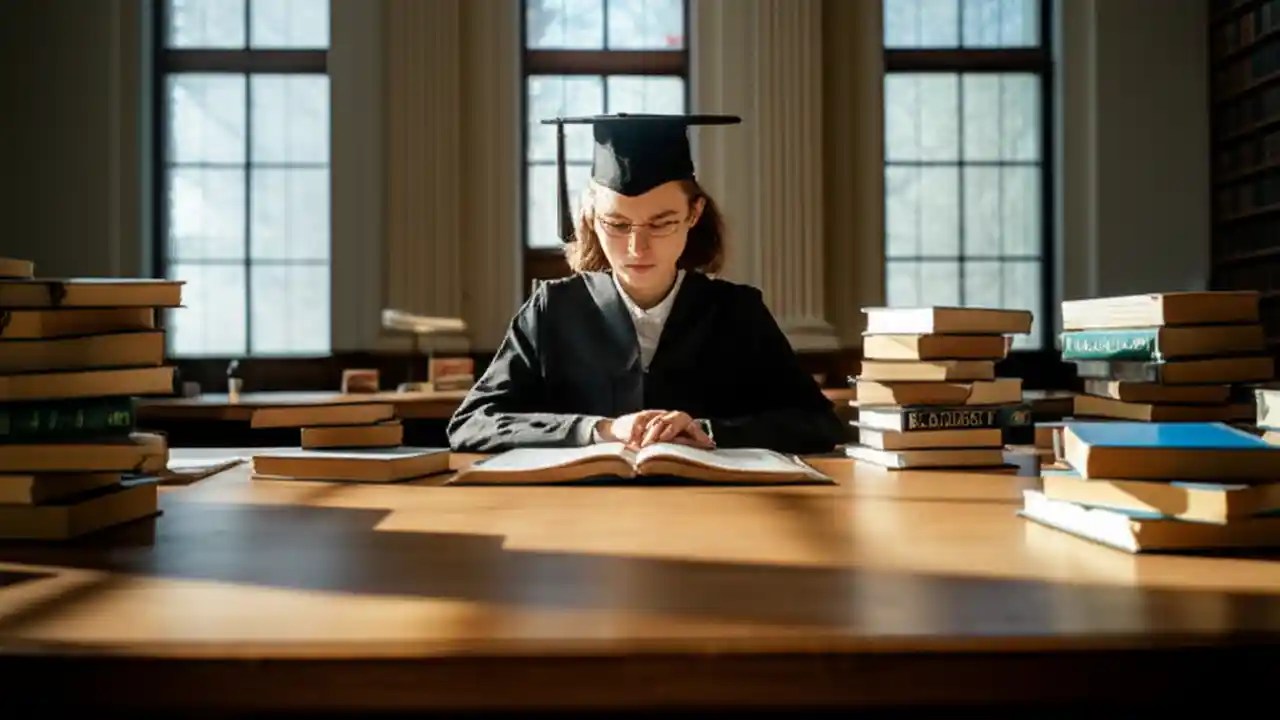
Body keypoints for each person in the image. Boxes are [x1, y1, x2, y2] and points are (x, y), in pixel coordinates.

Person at [447, 113, 845, 455]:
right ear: (589, 215)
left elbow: (818, 424)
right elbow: (472, 423)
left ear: (694, 213)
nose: (638, 247)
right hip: (578, 517)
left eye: (662, 222)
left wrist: (708, 432)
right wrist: (598, 431)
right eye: (617, 224)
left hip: (715, 514)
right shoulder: (552, 310)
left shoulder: (736, 312)